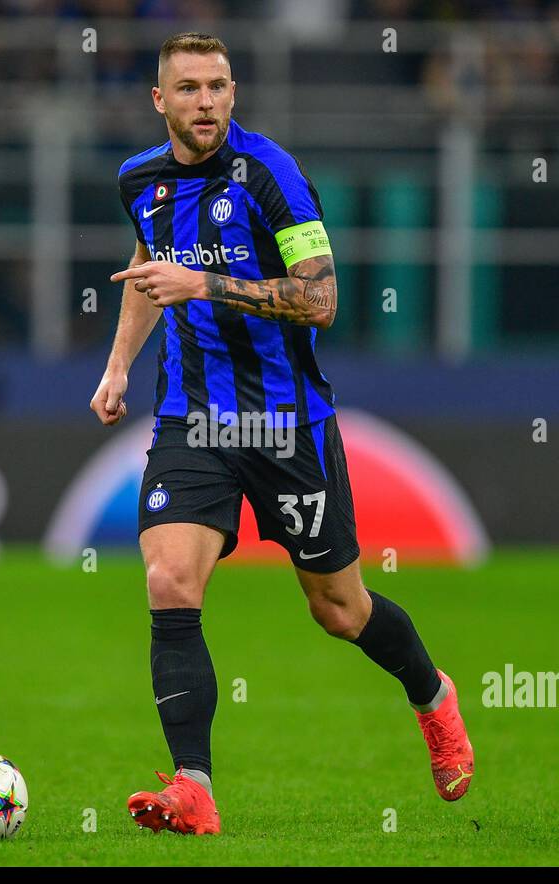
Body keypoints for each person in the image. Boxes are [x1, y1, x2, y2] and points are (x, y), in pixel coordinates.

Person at [90, 32, 473, 836]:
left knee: (339, 608)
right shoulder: (140, 181)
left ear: (235, 93)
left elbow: (321, 300)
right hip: (192, 417)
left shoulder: (271, 176)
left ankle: (432, 695)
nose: (206, 102)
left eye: (219, 86)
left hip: (285, 422)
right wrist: (120, 363)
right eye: (188, 88)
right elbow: (146, 265)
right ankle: (193, 785)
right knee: (169, 583)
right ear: (159, 101)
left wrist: (204, 283)